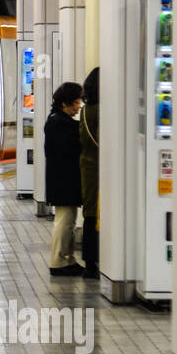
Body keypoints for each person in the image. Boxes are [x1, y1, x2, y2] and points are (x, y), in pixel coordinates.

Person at [44, 81, 84, 276]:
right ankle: (58, 261)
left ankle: (67, 258)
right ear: (65, 103)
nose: (79, 106)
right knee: (64, 220)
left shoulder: (57, 120)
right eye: (76, 102)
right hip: (63, 181)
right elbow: (70, 149)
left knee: (69, 220)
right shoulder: (59, 123)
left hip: (62, 180)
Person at [79, 68, 100, 279]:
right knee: (97, 215)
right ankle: (94, 262)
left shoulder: (85, 111)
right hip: (101, 169)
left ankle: (89, 262)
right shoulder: (102, 111)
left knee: (89, 214)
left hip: (87, 167)